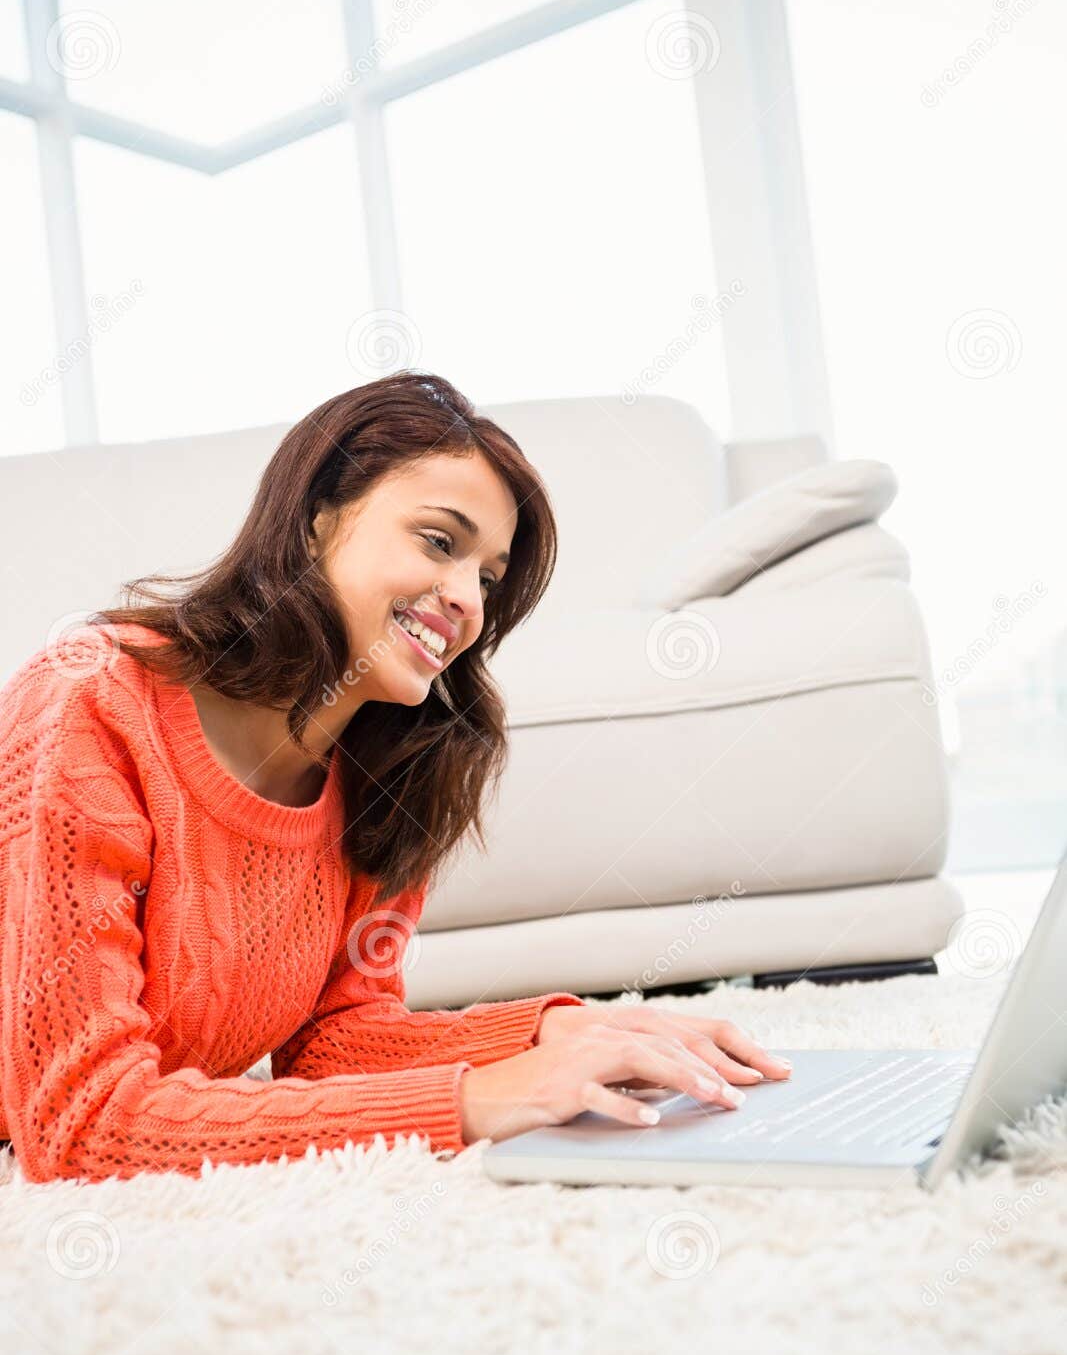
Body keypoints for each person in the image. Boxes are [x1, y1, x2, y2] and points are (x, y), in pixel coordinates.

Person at [0, 371, 788, 1184]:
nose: (464, 601)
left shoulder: (386, 766)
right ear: (315, 523)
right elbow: (81, 1122)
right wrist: (472, 1102)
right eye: (440, 542)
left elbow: (335, 1040)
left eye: (488, 578)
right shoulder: (89, 703)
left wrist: (555, 1036)